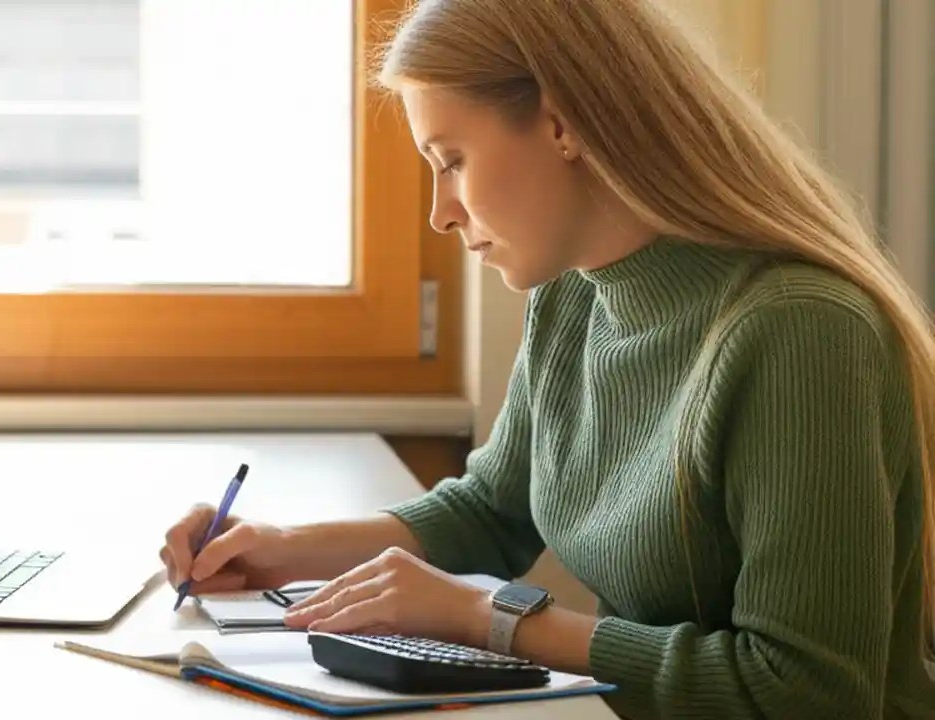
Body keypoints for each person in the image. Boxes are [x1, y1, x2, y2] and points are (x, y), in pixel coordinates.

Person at [158, 1, 935, 717]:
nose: (440, 212)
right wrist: (280, 554)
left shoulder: (800, 334)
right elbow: (492, 510)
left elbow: (806, 693)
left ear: (563, 124)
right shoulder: (572, 301)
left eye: (452, 158)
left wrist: (485, 619)